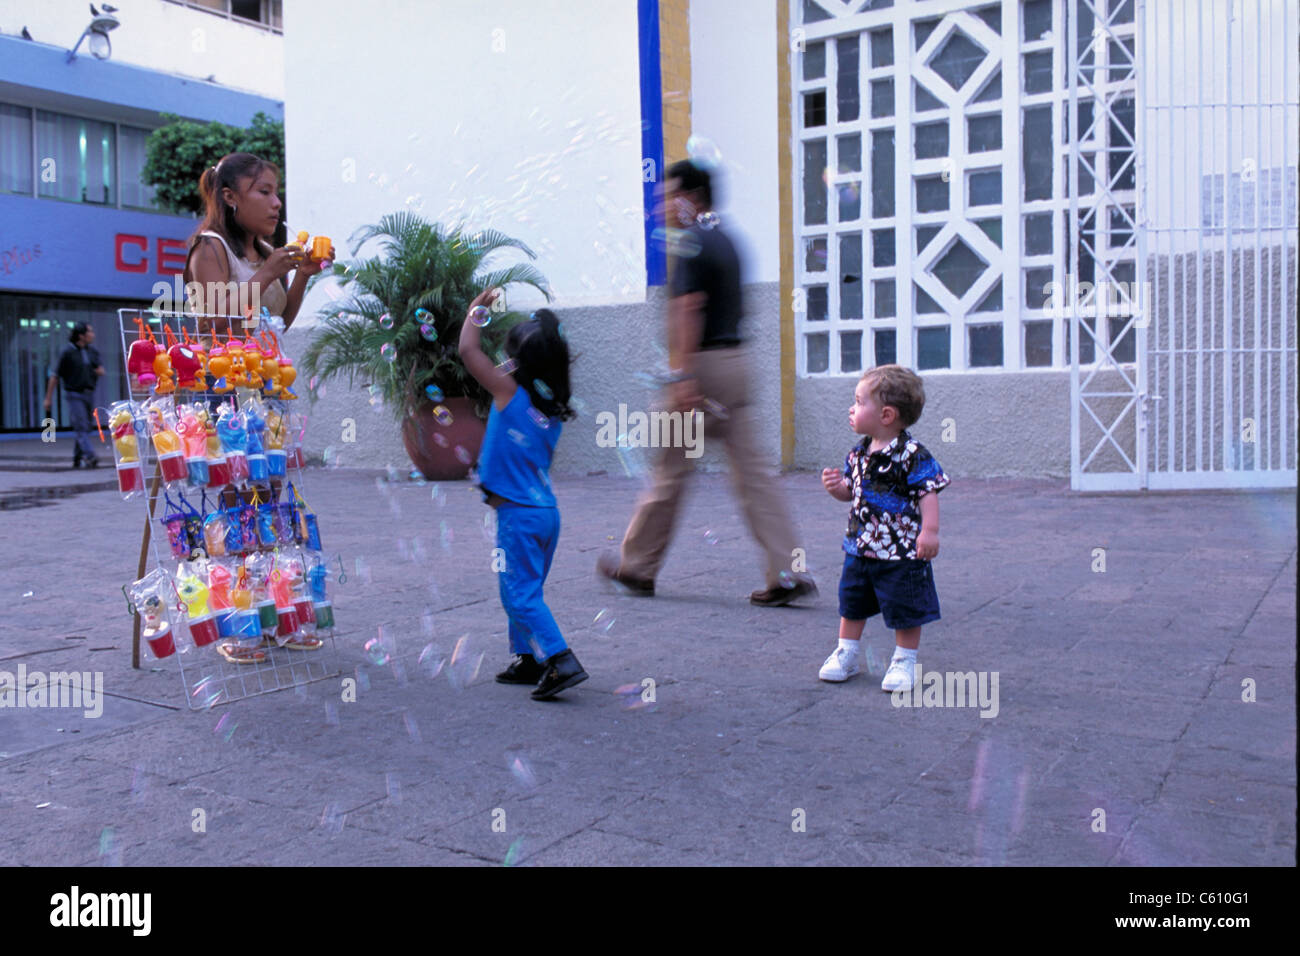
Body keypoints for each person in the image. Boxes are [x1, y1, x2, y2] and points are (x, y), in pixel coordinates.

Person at [597, 159, 817, 606]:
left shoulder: (691, 241)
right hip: (736, 364)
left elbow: (688, 309)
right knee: (754, 475)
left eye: (666, 196)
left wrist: (683, 375)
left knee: (669, 472)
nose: (659, 206)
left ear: (690, 198)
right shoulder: (728, 241)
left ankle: (637, 567)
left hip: (702, 369)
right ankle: (786, 571)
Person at [459, 288, 588, 700]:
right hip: (545, 514)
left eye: (508, 356)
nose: (501, 362)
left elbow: (467, 350)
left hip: (518, 516)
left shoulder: (509, 395)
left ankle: (560, 659)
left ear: (518, 365)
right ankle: (527, 659)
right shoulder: (550, 411)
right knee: (520, 589)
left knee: (520, 593)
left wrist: (475, 312)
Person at [817, 365, 950, 691]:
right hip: (860, 546)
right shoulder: (858, 453)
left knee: (906, 606)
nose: (852, 408)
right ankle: (846, 652)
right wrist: (837, 489)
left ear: (887, 414)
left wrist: (929, 531)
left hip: (902, 550)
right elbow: (852, 491)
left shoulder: (911, 453)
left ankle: (905, 660)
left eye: (859, 401)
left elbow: (927, 491)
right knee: (851, 601)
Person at [183, 151, 332, 336]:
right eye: (264, 192)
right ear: (230, 197)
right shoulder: (210, 246)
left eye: (275, 193)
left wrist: (302, 274)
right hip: (225, 364)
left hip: (267, 363)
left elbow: (278, 324)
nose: (277, 203)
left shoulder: (264, 252)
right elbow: (215, 322)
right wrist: (267, 273)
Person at [43, 322, 104, 469]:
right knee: (81, 425)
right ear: (81, 336)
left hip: (89, 393)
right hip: (74, 393)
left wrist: (98, 371)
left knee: (85, 426)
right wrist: (48, 398)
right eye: (90, 332)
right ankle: (90, 455)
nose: (93, 335)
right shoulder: (68, 353)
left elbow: (100, 368)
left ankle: (77, 457)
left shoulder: (92, 351)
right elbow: (55, 376)